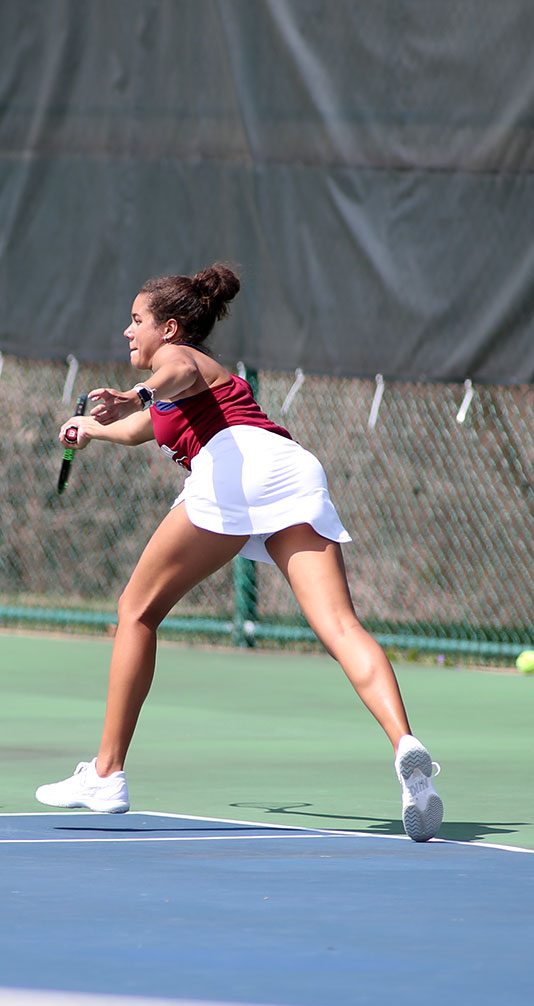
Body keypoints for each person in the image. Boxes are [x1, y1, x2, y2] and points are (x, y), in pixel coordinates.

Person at [34, 264, 444, 841]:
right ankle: (408, 750)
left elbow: (172, 372)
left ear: (170, 328)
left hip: (237, 469)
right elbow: (137, 429)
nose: (127, 332)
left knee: (136, 611)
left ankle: (106, 773)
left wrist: (136, 391)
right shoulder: (191, 396)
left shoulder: (184, 362)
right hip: (291, 468)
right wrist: (91, 427)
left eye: (136, 321)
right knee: (339, 625)